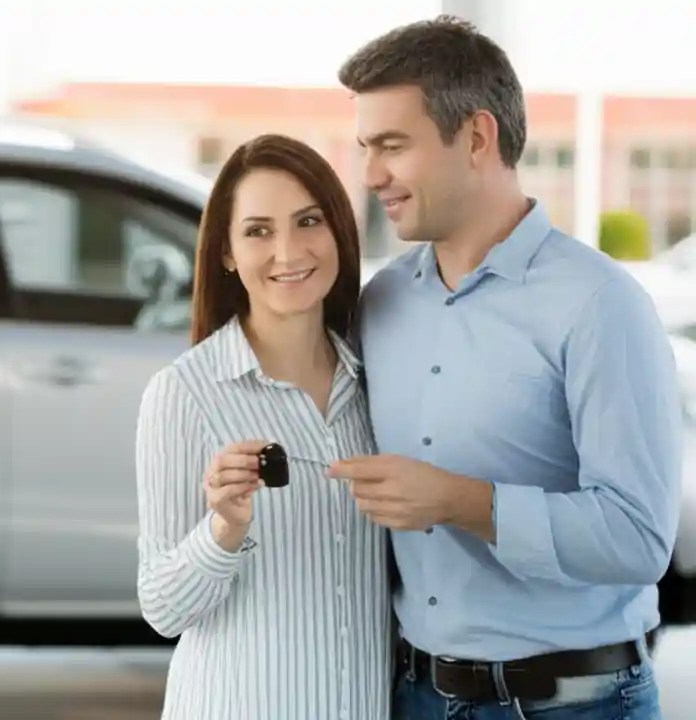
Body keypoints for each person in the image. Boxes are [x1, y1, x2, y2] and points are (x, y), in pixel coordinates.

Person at [331, 15, 682, 719]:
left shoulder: (600, 305)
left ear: (477, 138)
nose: (371, 176)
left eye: (393, 146)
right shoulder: (381, 303)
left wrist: (461, 501)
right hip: (414, 695)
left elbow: (640, 539)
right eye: (367, 148)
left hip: (572, 705)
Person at [134, 133, 392, 720]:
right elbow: (164, 608)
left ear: (338, 233)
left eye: (308, 221)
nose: (288, 251)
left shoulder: (376, 384)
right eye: (257, 231)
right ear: (226, 252)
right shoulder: (186, 394)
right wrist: (224, 529)